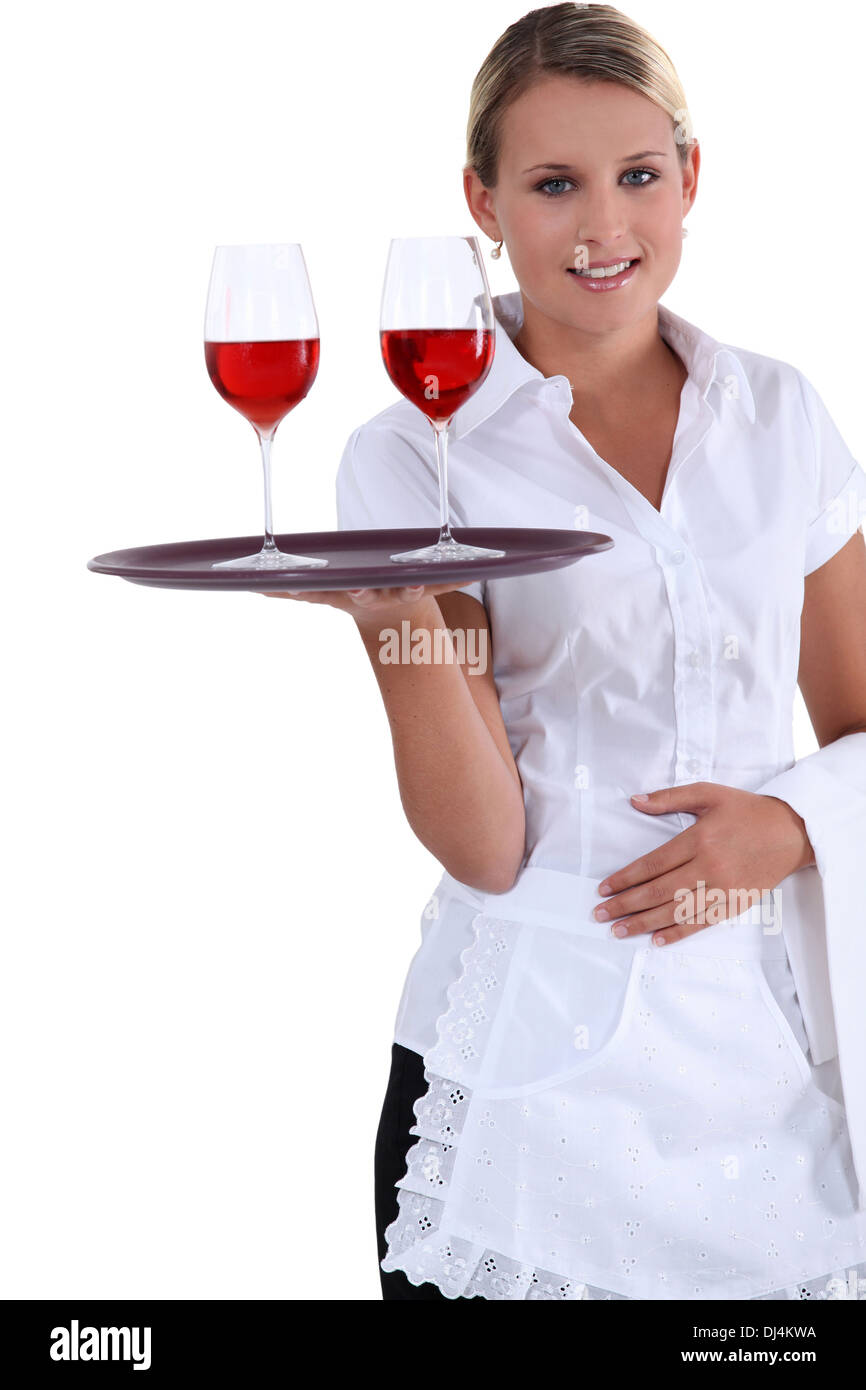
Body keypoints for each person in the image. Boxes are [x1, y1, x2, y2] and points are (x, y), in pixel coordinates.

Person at [262, 3, 866, 1300]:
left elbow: (863, 722)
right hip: (524, 1060)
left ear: (690, 179)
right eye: (551, 185)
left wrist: (790, 822)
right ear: (478, 200)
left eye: (637, 176)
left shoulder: (782, 416)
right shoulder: (411, 451)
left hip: (771, 1063)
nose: (602, 229)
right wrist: (398, 629)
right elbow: (483, 846)